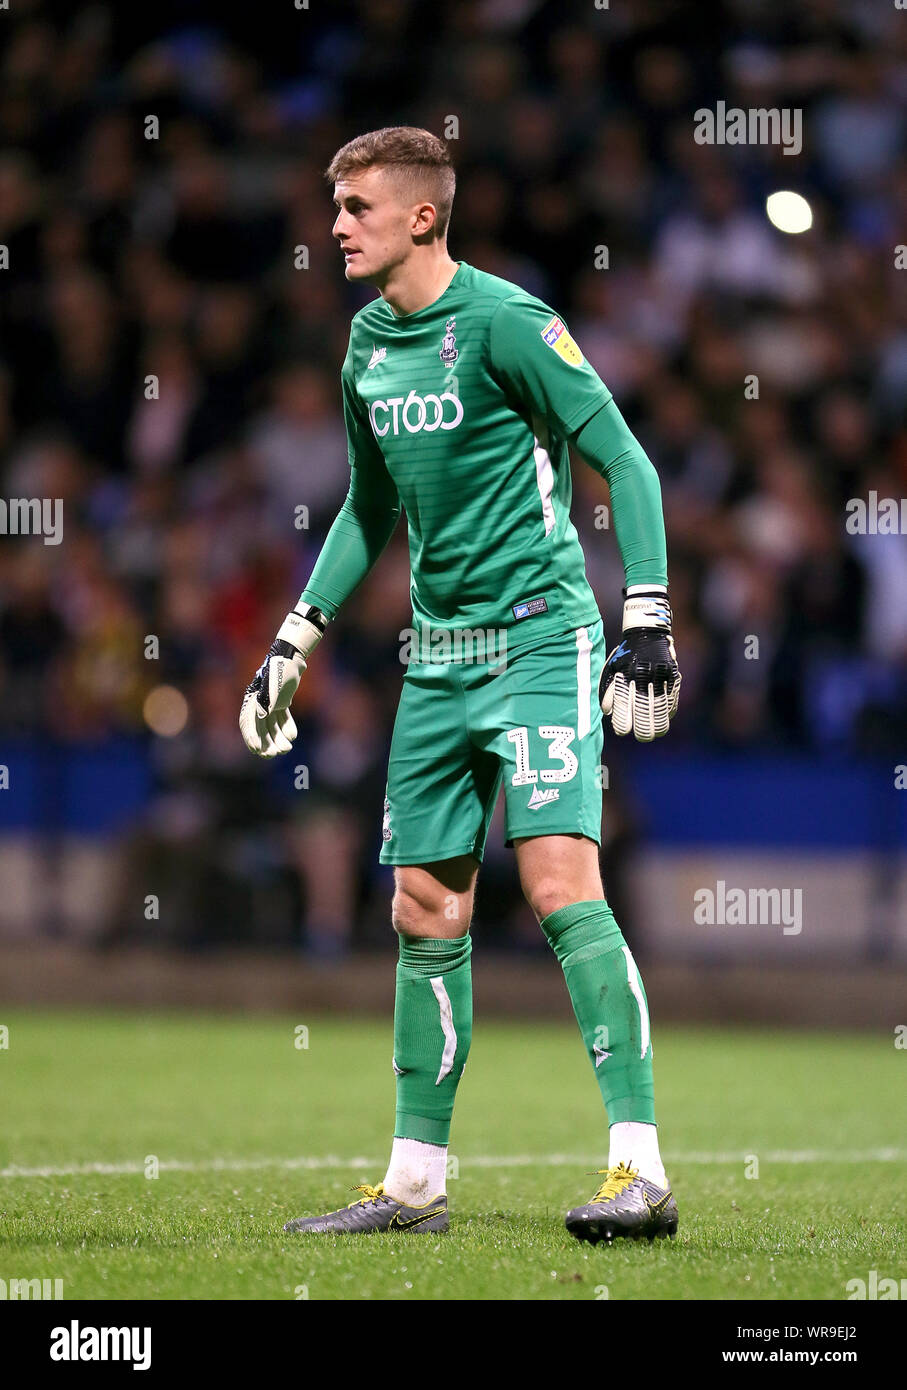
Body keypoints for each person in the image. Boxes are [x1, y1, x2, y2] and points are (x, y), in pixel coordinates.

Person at [240, 127, 681, 1243]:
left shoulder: (507, 321)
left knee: (557, 881)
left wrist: (649, 615)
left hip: (539, 642)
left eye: (355, 206)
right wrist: (296, 637)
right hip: (434, 662)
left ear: (423, 216)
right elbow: (365, 510)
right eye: (333, 205)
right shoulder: (365, 344)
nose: (335, 224)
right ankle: (414, 1183)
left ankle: (641, 1171)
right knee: (422, 907)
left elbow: (623, 459)